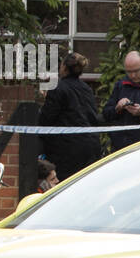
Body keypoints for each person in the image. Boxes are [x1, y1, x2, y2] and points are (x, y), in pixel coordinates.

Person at [37, 51, 102, 181]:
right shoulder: (86, 89)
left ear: (64, 67)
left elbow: (46, 119)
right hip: (90, 147)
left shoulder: (58, 88)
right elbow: (91, 116)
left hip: (66, 151)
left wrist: (46, 102)